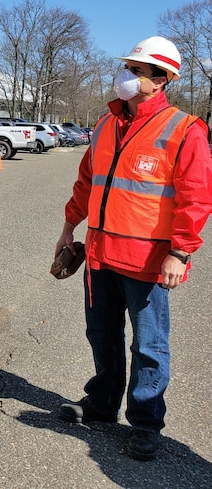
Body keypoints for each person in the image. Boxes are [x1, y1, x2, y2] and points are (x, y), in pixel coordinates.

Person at [54, 36, 212, 461]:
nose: (127, 75)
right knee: (101, 334)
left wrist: (181, 252)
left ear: (162, 79)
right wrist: (69, 226)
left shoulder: (184, 129)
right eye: (127, 67)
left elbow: (196, 198)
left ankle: (145, 423)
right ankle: (103, 403)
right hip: (100, 254)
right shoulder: (106, 124)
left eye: (137, 70)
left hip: (148, 261)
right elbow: (87, 182)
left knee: (148, 346)